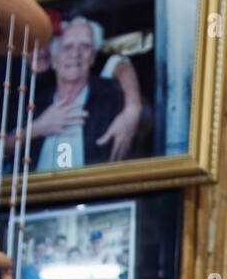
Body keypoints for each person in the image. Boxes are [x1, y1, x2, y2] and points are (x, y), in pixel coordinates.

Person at [24, 17, 140, 170]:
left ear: (93, 57)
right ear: (54, 59)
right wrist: (36, 129)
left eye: (85, 47)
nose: (75, 54)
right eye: (67, 47)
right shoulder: (33, 104)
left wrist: (133, 107)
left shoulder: (112, 101)